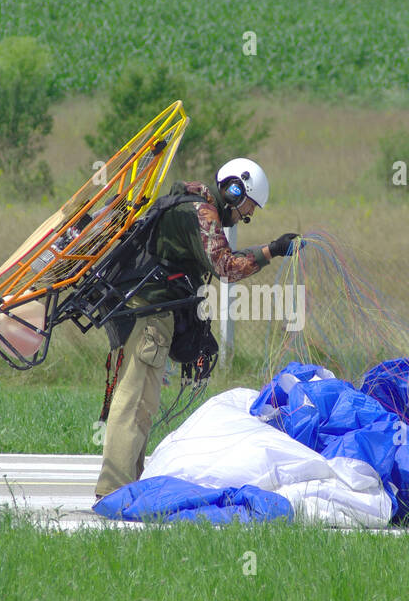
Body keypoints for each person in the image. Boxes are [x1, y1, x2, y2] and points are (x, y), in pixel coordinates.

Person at [94, 157, 297, 500]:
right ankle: (113, 489)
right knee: (133, 401)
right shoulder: (202, 213)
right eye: (248, 206)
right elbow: (227, 267)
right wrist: (271, 250)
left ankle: (127, 485)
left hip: (144, 311)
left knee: (143, 403)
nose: (246, 215)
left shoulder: (189, 205)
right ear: (234, 189)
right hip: (148, 314)